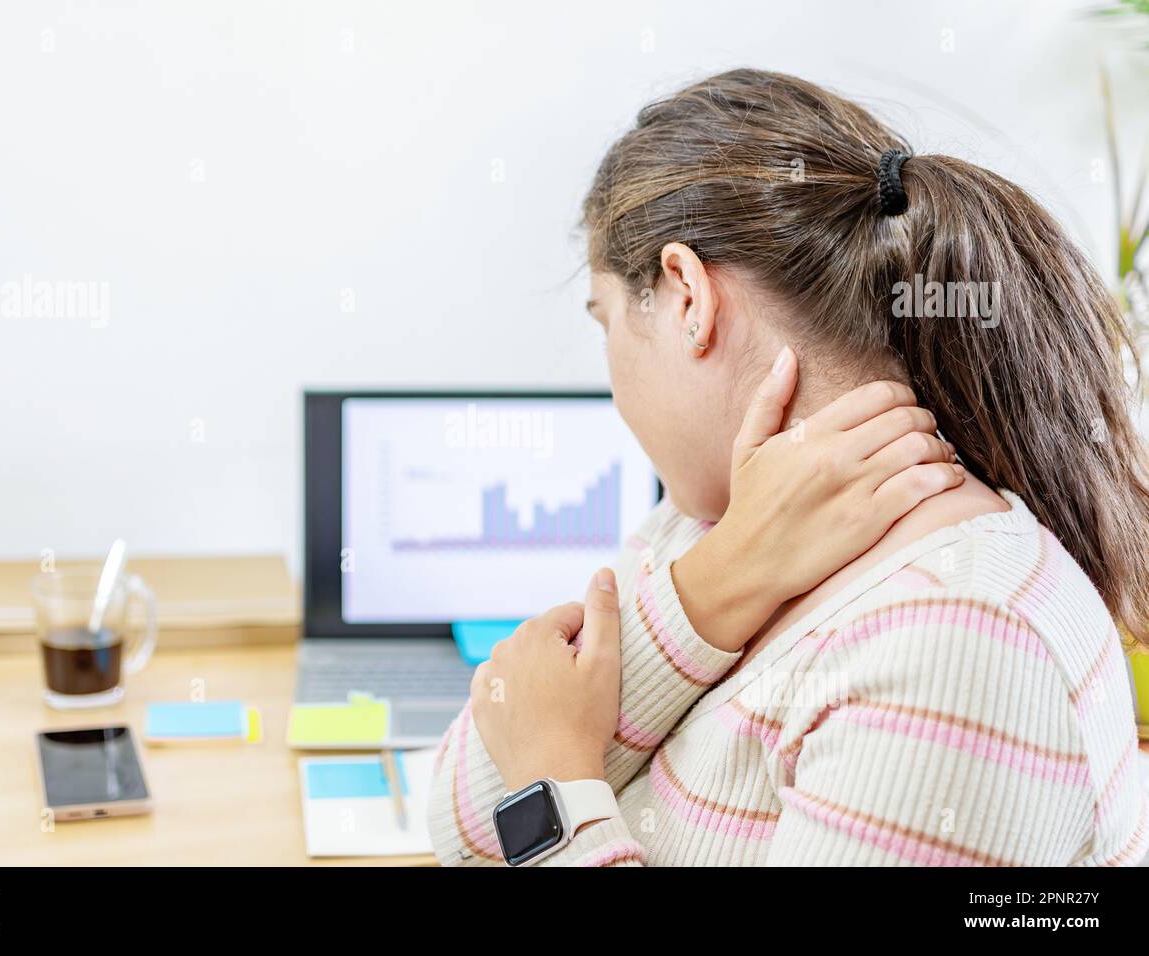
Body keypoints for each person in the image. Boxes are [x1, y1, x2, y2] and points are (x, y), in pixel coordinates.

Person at [427, 69, 1149, 867]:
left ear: (686, 297)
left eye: (605, 322)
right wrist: (717, 585)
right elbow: (460, 827)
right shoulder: (708, 522)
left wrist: (556, 785)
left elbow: (518, 798)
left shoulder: (960, 631)